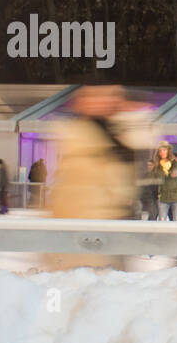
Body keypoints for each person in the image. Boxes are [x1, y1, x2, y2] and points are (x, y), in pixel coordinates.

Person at [43, 85, 147, 271]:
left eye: (114, 96)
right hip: (83, 227)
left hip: (110, 226)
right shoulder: (76, 134)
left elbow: (140, 142)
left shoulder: (117, 133)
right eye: (98, 96)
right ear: (80, 102)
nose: (109, 101)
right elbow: (75, 186)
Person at [150, 141, 177, 221]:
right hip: (163, 199)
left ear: (168, 151)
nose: (162, 152)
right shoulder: (158, 166)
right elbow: (156, 180)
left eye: (164, 150)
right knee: (162, 220)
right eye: (160, 151)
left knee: (176, 221)